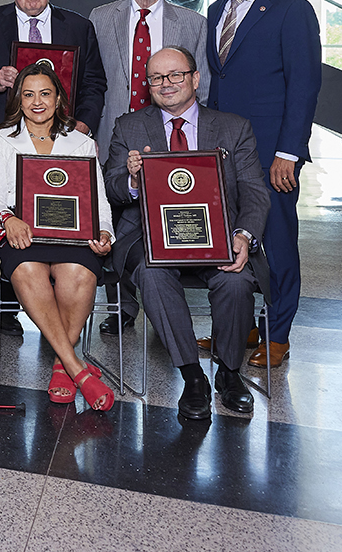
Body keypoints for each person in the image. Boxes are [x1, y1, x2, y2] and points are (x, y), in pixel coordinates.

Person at [105, 48, 269, 419]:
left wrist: (242, 235)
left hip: (219, 237)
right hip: (150, 239)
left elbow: (255, 193)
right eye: (157, 78)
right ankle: (193, 377)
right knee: (152, 273)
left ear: (196, 78)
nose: (167, 84)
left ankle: (229, 373)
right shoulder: (128, 127)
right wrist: (131, 178)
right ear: (148, 85)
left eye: (176, 75)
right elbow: (109, 188)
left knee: (236, 282)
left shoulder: (232, 127)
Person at [0, 0, 107, 335]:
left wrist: (82, 126)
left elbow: (95, 82)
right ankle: (3, 310)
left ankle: (58, 320)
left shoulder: (78, 27)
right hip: (4, 138)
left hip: (63, 141)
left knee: (57, 219)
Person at [205, 0, 321, 369]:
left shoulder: (292, 10)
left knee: (277, 241)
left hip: (273, 154)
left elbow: (304, 86)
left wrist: (289, 152)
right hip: (225, 151)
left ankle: (278, 332)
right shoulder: (216, 10)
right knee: (234, 238)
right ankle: (242, 327)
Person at [88, 0, 209, 335]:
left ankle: (165, 303)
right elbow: (92, 79)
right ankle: (120, 307)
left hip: (169, 133)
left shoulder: (192, 23)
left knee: (167, 211)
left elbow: (200, 84)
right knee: (116, 216)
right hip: (115, 131)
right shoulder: (101, 17)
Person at [0, 63, 116, 411]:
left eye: (45, 94)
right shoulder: (1, 140)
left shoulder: (81, 142)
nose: (37, 102)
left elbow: (97, 199)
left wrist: (104, 232)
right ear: (18, 100)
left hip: (71, 232)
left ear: (58, 99)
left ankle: (62, 366)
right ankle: (77, 368)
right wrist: (7, 218)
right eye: (28, 94)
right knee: (27, 270)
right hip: (20, 230)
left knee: (80, 273)